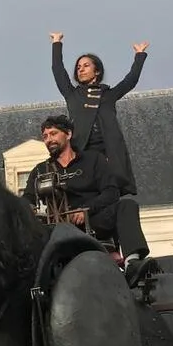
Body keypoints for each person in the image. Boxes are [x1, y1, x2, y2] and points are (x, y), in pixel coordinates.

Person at [22, 115, 150, 280]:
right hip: (58, 229)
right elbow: (27, 199)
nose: (48, 140)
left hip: (94, 221)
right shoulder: (40, 170)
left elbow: (111, 192)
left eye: (53, 134)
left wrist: (86, 210)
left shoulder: (93, 160)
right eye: (45, 136)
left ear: (68, 134)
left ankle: (132, 262)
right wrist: (27, 209)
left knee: (127, 205)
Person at [50, 33, 148, 195]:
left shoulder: (108, 95)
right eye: (78, 67)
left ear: (97, 71)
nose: (80, 69)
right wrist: (56, 43)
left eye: (86, 66)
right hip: (82, 154)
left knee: (110, 194)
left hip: (107, 154)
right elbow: (58, 71)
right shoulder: (72, 94)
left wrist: (139, 55)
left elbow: (130, 81)